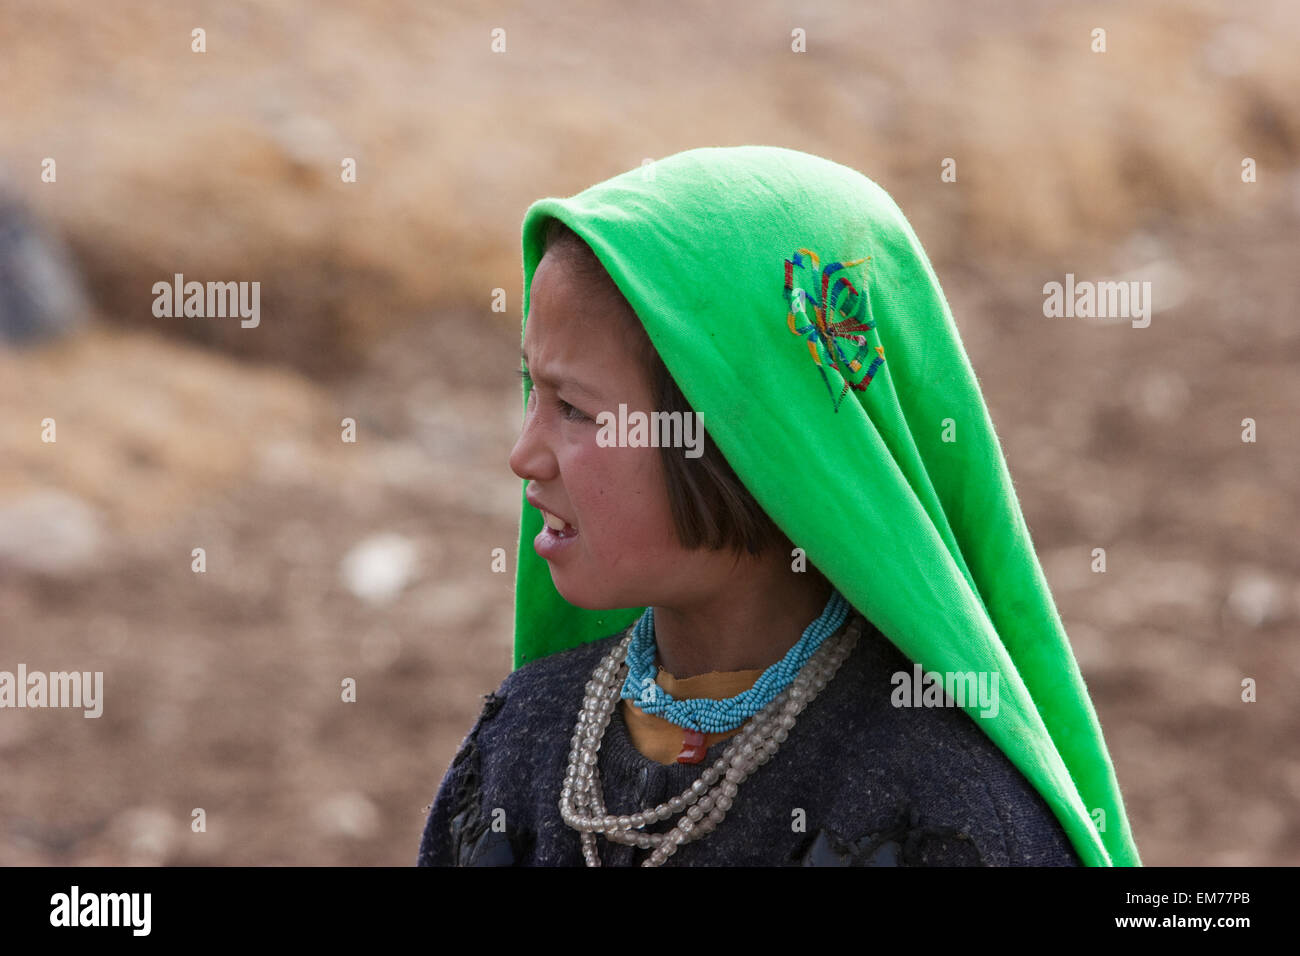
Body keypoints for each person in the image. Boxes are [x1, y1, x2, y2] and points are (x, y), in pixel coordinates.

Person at [418, 145, 1141, 866]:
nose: (524, 456)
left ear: (759, 445)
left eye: (574, 408)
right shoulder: (522, 745)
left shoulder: (943, 816)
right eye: (531, 391)